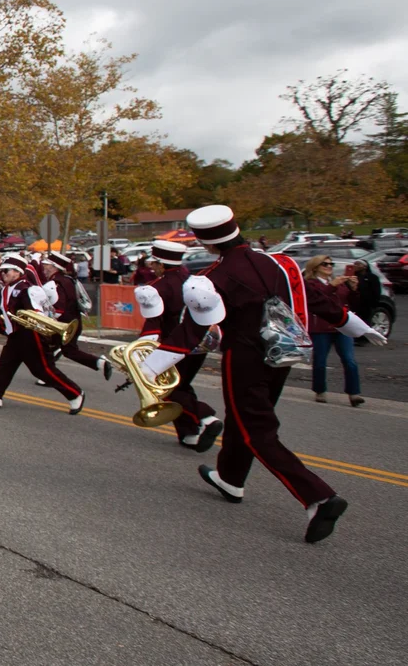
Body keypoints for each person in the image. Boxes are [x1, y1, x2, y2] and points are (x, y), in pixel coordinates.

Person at [141, 205, 386, 543]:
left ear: (205, 243)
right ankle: (230, 478)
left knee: (257, 431)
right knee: (247, 421)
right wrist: (354, 326)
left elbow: (192, 330)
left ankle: (318, 497)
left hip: (245, 359)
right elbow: (313, 297)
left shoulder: (213, 278)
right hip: (285, 354)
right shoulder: (280, 263)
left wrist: (150, 365)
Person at [133, 240, 221, 452]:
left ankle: (205, 416)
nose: (152, 267)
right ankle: (188, 434)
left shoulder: (159, 287)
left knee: (168, 390)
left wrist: (139, 354)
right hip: (200, 343)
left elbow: (153, 324)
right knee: (182, 385)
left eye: (155, 263)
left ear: (162, 265)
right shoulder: (195, 281)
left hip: (173, 346)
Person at [0, 255, 85, 413]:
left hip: (31, 336)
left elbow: (38, 313)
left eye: (6, 271)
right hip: (15, 335)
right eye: (2, 271)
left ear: (17, 272)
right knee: (6, 365)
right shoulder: (7, 288)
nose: (3, 274)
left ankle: (75, 394)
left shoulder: (30, 289)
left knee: (43, 370)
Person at [303, 255, 363, 406]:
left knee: (349, 360)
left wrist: (354, 289)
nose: (329, 266)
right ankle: (320, 390)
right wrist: (332, 286)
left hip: (342, 326)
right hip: (321, 327)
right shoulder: (311, 283)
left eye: (331, 264)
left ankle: (354, 393)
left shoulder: (339, 283)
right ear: (315, 267)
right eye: (325, 264)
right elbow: (317, 299)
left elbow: (352, 302)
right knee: (320, 361)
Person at [41, 251, 111, 378]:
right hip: (74, 322)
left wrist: (47, 322)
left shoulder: (54, 284)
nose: (44, 267)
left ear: (54, 267)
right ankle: (99, 363)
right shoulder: (70, 280)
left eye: (46, 265)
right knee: (64, 350)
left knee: (50, 349)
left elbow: (59, 308)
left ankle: (50, 377)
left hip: (63, 325)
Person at [347, 259, 381, 342]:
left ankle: (364, 338)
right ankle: (356, 337)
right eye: (355, 264)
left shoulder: (372, 277)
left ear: (365, 266)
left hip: (367, 304)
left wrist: (374, 303)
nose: (356, 266)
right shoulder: (352, 277)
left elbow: (376, 291)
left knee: (365, 320)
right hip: (355, 303)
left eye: (358, 264)